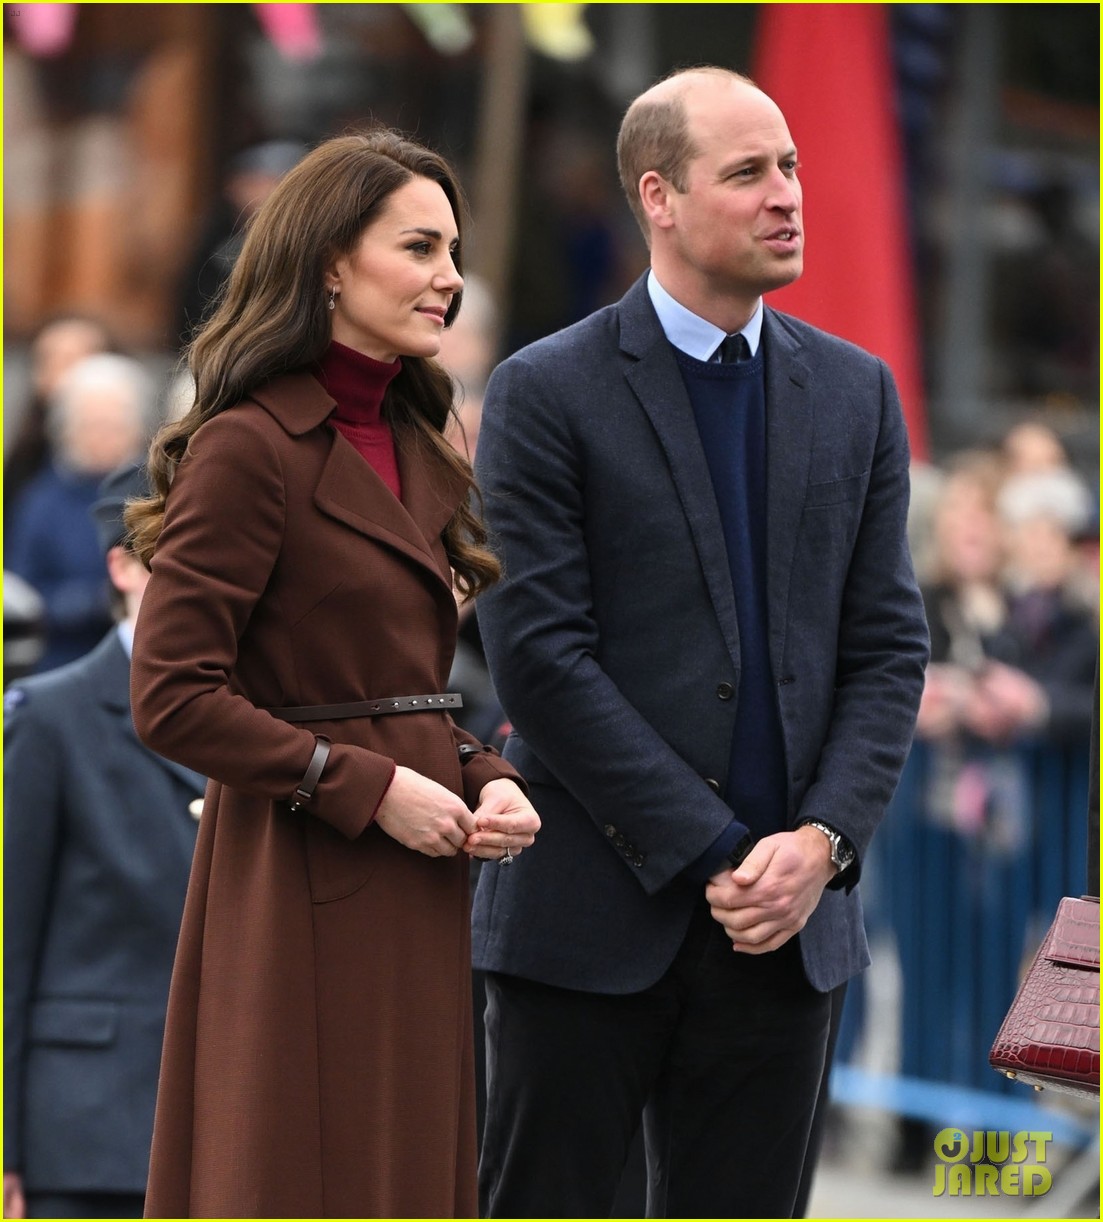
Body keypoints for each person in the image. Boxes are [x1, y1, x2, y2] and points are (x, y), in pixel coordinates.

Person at [471, 66, 929, 1218]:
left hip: (787, 944)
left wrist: (819, 842)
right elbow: (538, 656)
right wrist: (723, 848)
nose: (785, 195)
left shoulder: (857, 393)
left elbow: (884, 648)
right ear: (658, 197)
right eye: (748, 172)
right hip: (584, 932)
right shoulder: (543, 391)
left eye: (790, 168)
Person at [124, 129, 540, 1219]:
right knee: (296, 1175)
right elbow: (170, 694)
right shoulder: (246, 446)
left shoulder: (421, 436)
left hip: (420, 872)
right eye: (419, 246)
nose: (450, 276)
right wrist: (363, 786)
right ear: (327, 264)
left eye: (454, 249)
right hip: (296, 872)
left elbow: (397, 682)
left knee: (403, 1177)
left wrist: (479, 771)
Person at [4, 461, 203, 1221]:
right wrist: (5, 1149)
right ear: (122, 567)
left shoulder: (266, 711)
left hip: (226, 1125)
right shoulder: (52, 718)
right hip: (85, 1132)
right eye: (182, 562)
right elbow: (7, 944)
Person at [5, 353, 151, 673]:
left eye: (115, 425)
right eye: (91, 424)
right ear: (66, 429)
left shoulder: (155, 493)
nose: (103, 437)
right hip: (63, 660)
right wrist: (91, 603)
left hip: (143, 661)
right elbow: (21, 591)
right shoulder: (41, 500)